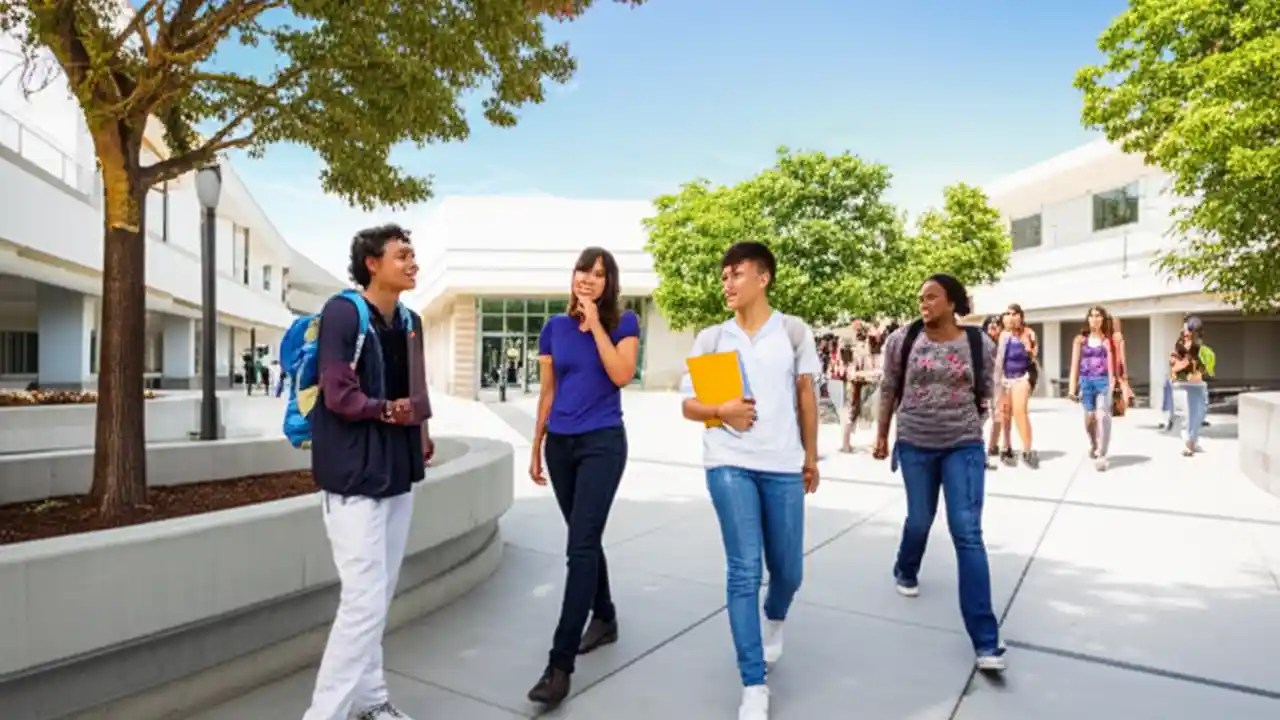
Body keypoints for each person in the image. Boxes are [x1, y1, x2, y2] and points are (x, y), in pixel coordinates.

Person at [678, 241, 821, 720]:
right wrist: (721, 411)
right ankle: (753, 682)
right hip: (728, 461)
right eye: (724, 276)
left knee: (789, 573)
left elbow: (806, 398)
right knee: (744, 570)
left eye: (736, 274)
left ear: (764, 278)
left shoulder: (794, 332)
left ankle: (773, 620)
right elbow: (688, 405)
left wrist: (811, 458)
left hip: (782, 464)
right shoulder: (713, 338)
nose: (727, 283)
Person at [304, 224, 434, 720]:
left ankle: (371, 699)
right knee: (362, 602)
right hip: (354, 480)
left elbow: (417, 394)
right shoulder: (343, 313)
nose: (412, 262)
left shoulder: (410, 321)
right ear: (372, 263)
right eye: (402, 254)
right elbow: (337, 393)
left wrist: (419, 429)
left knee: (376, 599)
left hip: (397, 475)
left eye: (413, 253)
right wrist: (389, 411)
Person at [873, 274, 1006, 673]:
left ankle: (986, 641)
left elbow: (988, 390)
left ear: (952, 302)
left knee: (967, 531)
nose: (923, 303)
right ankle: (906, 566)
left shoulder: (979, 343)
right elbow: (888, 387)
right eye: (920, 297)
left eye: (931, 296)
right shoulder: (902, 339)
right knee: (920, 519)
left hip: (962, 443)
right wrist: (881, 434)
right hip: (914, 442)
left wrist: (980, 428)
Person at [526, 247, 641, 708]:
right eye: (583, 271)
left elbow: (622, 374)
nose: (588, 279)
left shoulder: (623, 323)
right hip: (561, 445)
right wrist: (535, 444)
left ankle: (559, 665)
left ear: (609, 283)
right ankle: (606, 616)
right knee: (584, 537)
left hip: (603, 443)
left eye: (599, 274)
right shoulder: (553, 328)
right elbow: (547, 391)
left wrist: (595, 322)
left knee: (579, 547)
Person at [1068, 306, 1116, 471]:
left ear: (1103, 319)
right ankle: (1094, 443)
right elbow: (1074, 365)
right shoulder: (1080, 340)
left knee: (1102, 417)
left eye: (1098, 316)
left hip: (1102, 382)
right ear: (1088, 319)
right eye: (1092, 316)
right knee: (1089, 418)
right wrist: (1071, 389)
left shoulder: (1107, 341)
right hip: (1086, 382)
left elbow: (1111, 365)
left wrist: (1112, 385)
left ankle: (1102, 455)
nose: (1095, 319)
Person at [994, 303, 1039, 468]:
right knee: (1005, 413)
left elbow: (1034, 355)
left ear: (1021, 316)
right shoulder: (1003, 335)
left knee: (1020, 411)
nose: (1011, 316)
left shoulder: (1029, 333)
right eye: (1008, 313)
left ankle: (1027, 450)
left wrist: (1027, 345)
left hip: (1022, 376)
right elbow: (999, 360)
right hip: (1005, 378)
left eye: (1015, 313)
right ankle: (1006, 447)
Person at [1171, 322, 1213, 456]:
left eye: (1189, 329)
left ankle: (1193, 441)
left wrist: (1202, 367)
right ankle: (1188, 444)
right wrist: (1186, 362)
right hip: (1182, 386)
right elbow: (1174, 368)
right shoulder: (1178, 349)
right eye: (1184, 329)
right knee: (1187, 416)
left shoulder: (1201, 349)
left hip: (1199, 385)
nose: (1185, 332)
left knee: (1199, 415)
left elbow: (1206, 369)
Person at [981, 315, 1004, 469]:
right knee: (979, 422)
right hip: (982, 386)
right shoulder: (981, 342)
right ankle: (981, 456)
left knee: (998, 417)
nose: (994, 326)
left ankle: (991, 447)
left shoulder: (1002, 343)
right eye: (991, 323)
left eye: (997, 324)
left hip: (999, 385)